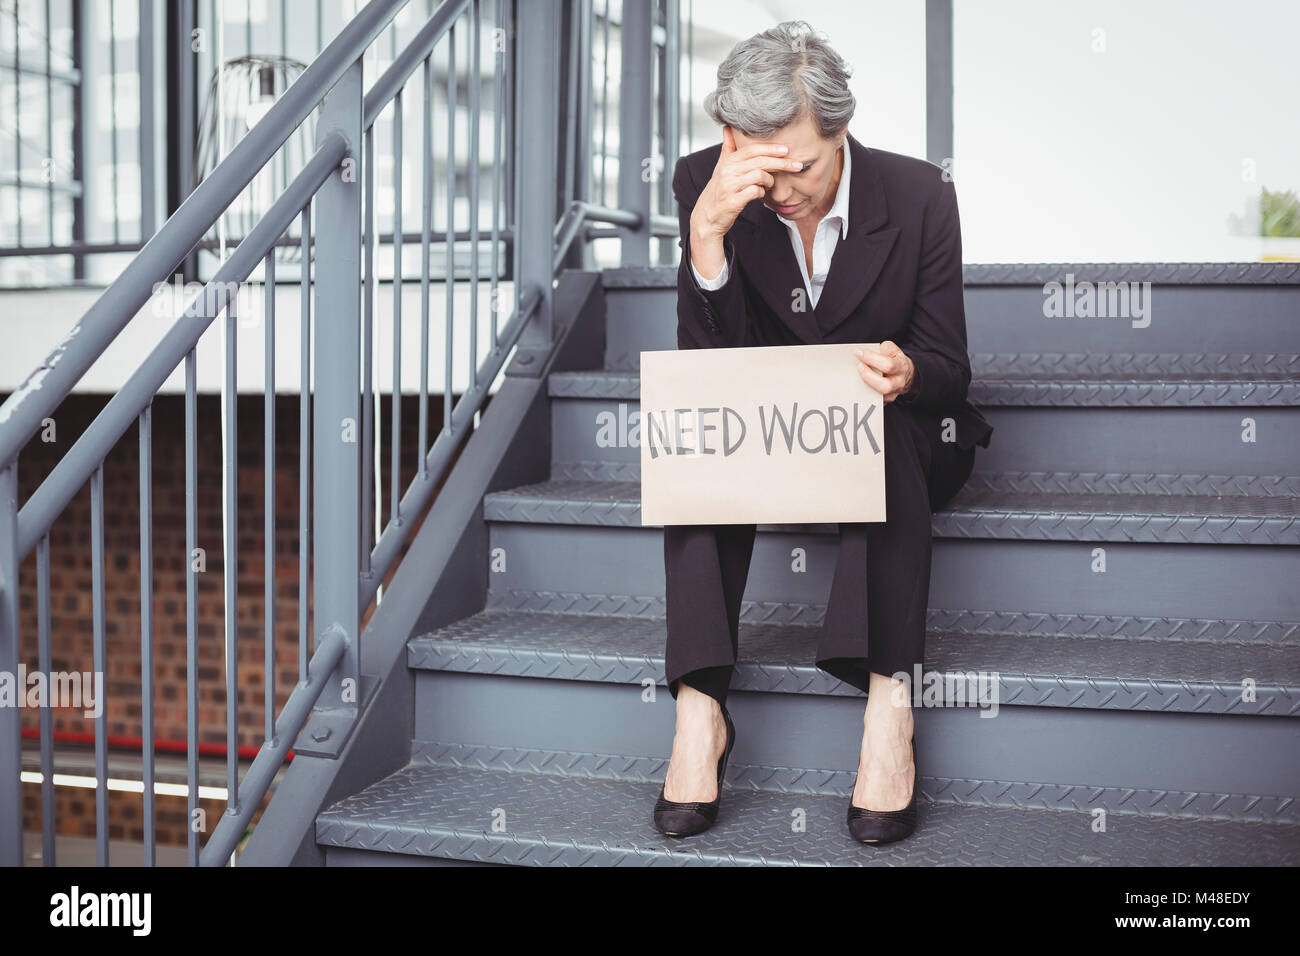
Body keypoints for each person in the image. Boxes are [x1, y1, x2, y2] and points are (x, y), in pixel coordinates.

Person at [652, 20, 993, 845]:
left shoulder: (917, 196)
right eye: (758, 165)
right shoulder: (706, 183)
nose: (780, 191)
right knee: (696, 433)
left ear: (838, 133)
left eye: (799, 165)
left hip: (900, 435)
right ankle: (699, 714)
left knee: (887, 427)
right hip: (775, 436)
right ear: (732, 138)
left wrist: (909, 372)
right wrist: (705, 243)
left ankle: (888, 711)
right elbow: (710, 372)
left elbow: (950, 363)